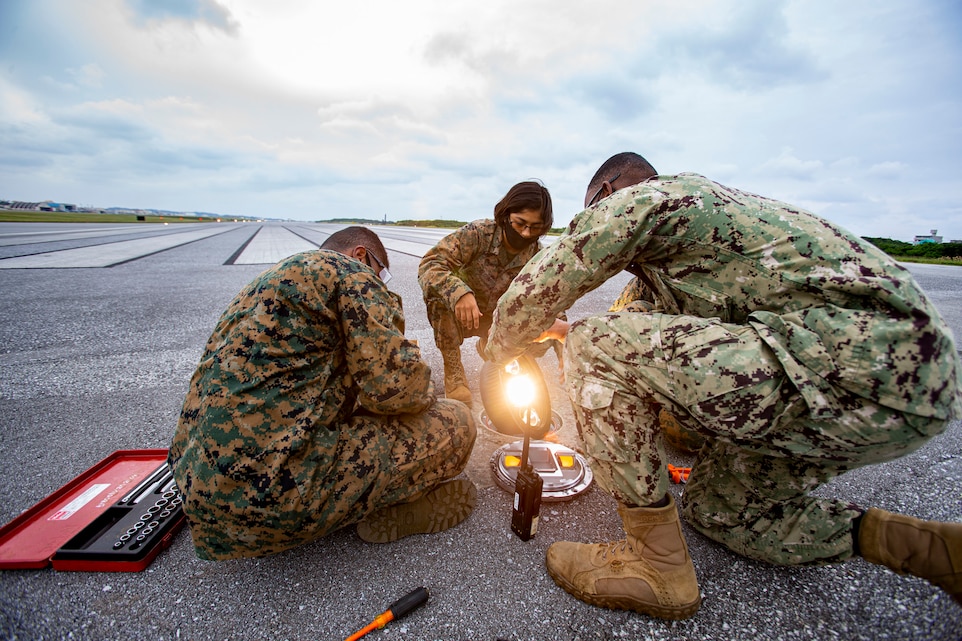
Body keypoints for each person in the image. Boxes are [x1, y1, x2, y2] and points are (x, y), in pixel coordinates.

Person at [485, 152, 962, 619]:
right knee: (718, 509)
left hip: (858, 360)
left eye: (594, 209)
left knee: (595, 346)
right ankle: (928, 548)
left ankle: (657, 568)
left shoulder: (652, 197)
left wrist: (499, 353)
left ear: (608, 193)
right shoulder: (692, 247)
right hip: (907, 393)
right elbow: (650, 331)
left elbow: (541, 290)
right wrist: (565, 335)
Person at [169, 226, 477, 560]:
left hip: (196, 494)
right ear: (362, 255)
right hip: (270, 501)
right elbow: (398, 390)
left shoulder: (266, 285)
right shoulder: (351, 273)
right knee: (458, 423)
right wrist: (422, 379)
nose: (378, 280)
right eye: (381, 273)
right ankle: (392, 503)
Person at [418, 180, 561, 406]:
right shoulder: (478, 234)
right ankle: (454, 373)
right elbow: (430, 264)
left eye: (534, 228)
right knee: (438, 297)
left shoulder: (539, 258)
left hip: (500, 321)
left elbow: (554, 304)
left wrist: (564, 350)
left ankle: (497, 353)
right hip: (465, 314)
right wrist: (458, 293)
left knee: (543, 334)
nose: (525, 233)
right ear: (505, 215)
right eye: (520, 223)